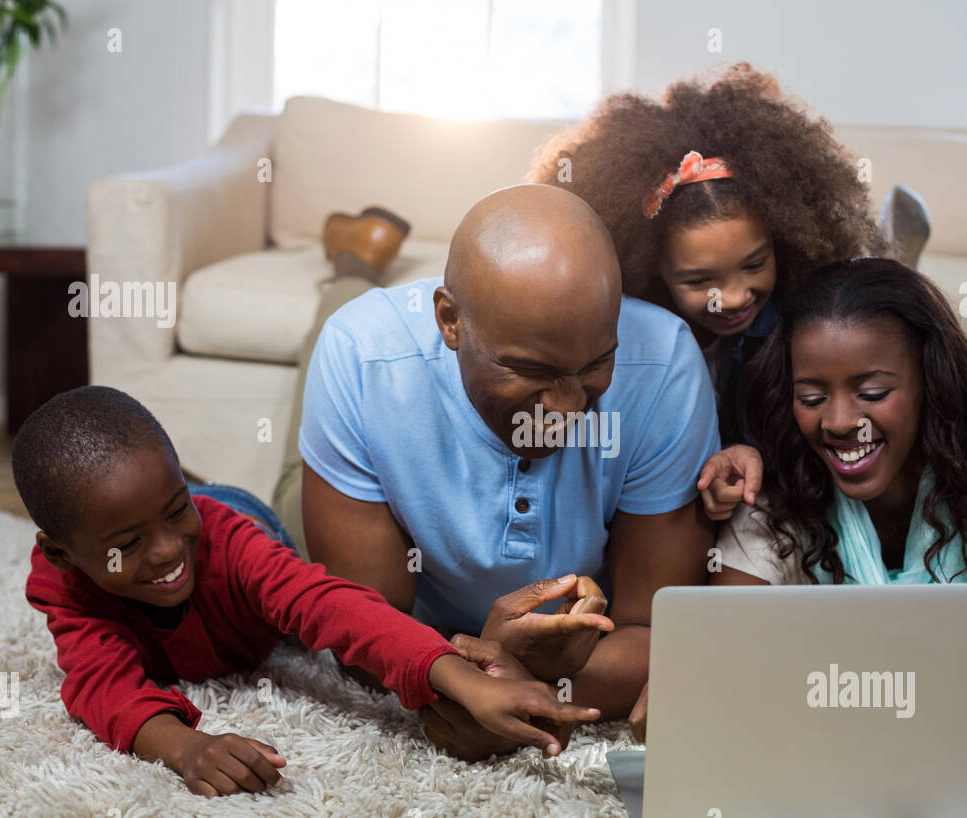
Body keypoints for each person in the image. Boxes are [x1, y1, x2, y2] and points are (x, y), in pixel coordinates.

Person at [291, 184, 721, 760]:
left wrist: (498, 686)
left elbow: (658, 634)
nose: (568, 409)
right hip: (362, 380)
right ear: (449, 319)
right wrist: (469, 681)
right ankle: (354, 262)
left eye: (596, 364)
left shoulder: (665, 361)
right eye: (530, 368)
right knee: (282, 484)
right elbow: (366, 635)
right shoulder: (360, 353)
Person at [14, 386, 601, 796]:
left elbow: (334, 609)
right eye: (129, 541)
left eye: (173, 512)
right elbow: (101, 687)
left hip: (246, 519)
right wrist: (185, 748)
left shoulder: (232, 548)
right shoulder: (63, 585)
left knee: (300, 467)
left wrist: (461, 677)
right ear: (63, 554)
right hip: (200, 511)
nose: (167, 550)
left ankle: (347, 271)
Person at [530, 62, 930, 521]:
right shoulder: (639, 340)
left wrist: (753, 452)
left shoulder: (795, 315)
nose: (735, 296)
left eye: (755, 265)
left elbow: (811, 422)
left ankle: (892, 263)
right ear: (648, 267)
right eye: (700, 281)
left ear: (782, 240)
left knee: (868, 302)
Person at [712, 257, 967, 594]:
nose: (838, 422)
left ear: (932, 380)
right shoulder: (782, 475)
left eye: (873, 392)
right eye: (811, 398)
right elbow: (720, 638)